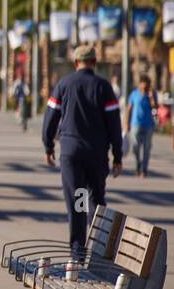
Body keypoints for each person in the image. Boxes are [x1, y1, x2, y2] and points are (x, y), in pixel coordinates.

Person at [42, 45, 124, 261]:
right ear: (94, 63)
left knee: (78, 201)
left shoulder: (64, 84)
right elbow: (115, 125)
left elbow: (50, 116)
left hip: (72, 155)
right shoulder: (104, 87)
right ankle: (98, 253)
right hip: (96, 155)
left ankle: (78, 252)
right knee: (96, 200)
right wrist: (118, 155)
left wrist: (48, 145)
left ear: (76, 63)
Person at [126, 73, 158, 178]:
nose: (144, 86)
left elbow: (155, 107)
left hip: (148, 125)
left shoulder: (151, 94)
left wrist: (151, 97)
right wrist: (126, 122)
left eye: (146, 84)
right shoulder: (134, 94)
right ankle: (138, 164)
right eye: (142, 83)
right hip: (135, 124)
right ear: (139, 84)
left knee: (146, 148)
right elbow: (129, 109)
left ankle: (144, 169)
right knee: (135, 147)